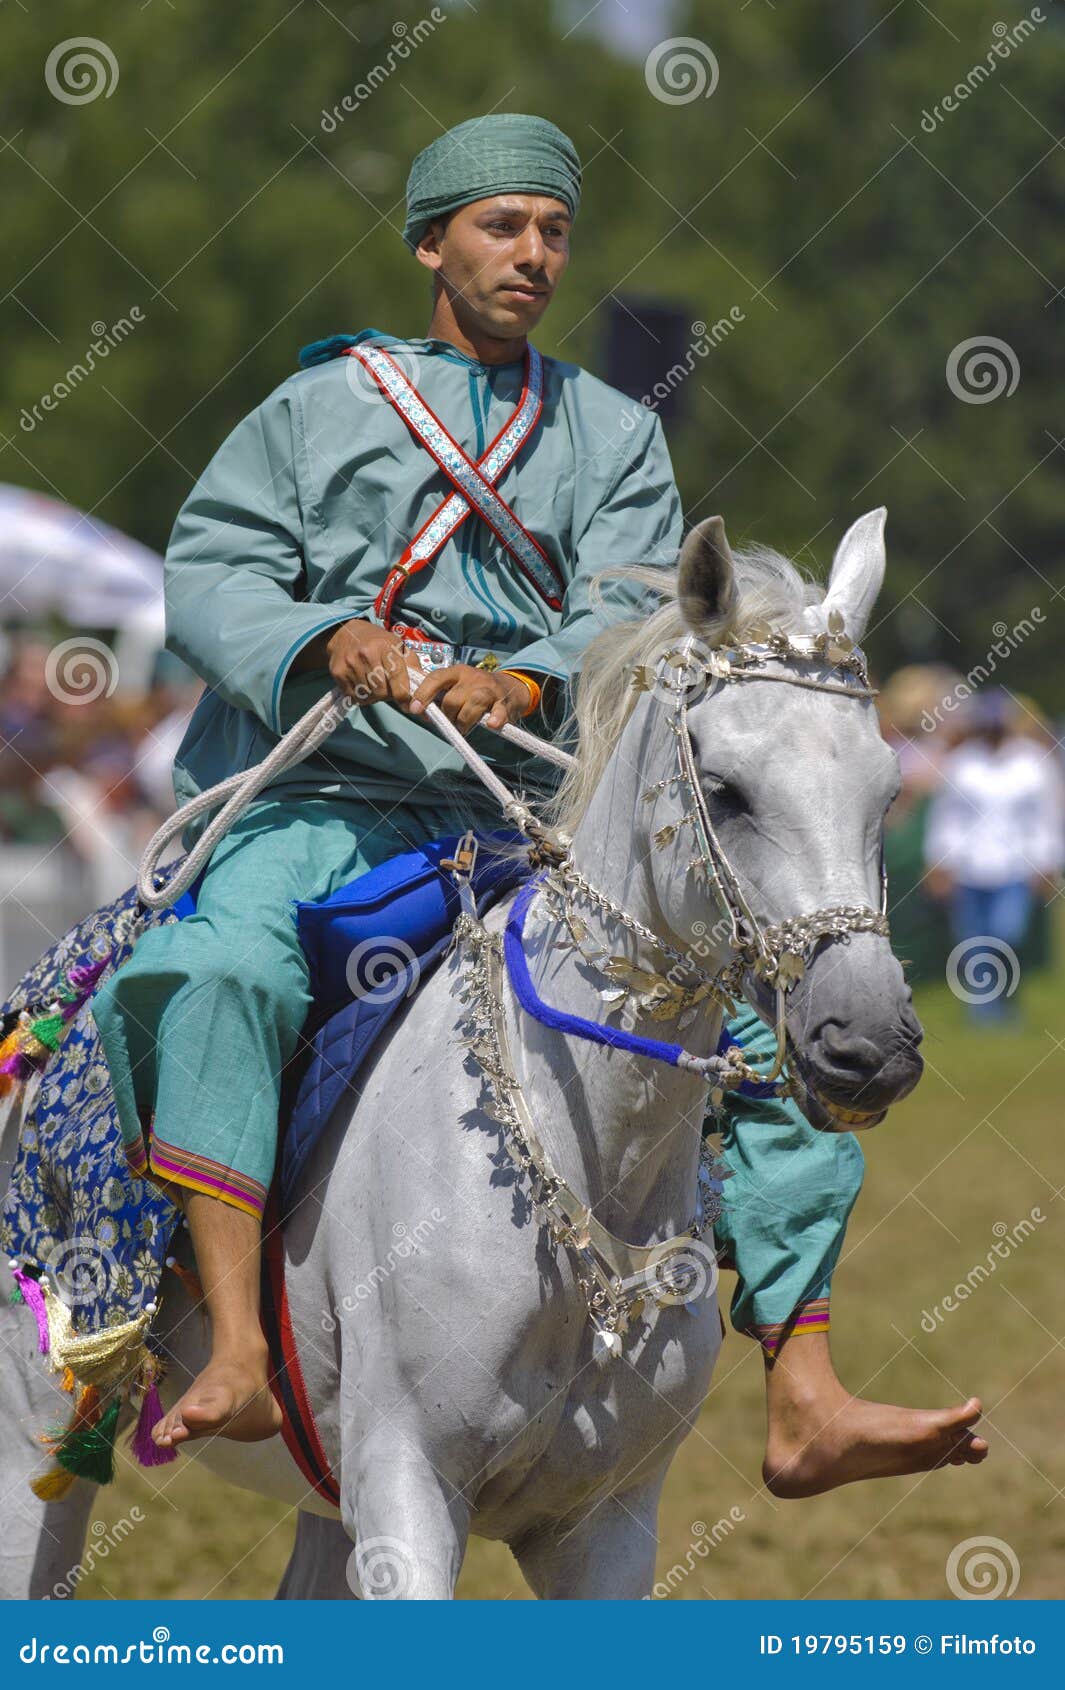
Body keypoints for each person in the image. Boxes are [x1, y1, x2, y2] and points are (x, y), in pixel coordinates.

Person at [91, 112, 986, 1487]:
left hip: (519, 811)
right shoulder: (314, 407)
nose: (532, 254)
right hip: (322, 793)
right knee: (217, 968)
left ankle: (802, 1386)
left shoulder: (612, 432)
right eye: (500, 225)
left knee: (754, 1022)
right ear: (428, 242)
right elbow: (212, 572)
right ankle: (228, 1345)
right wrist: (327, 640)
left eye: (553, 230)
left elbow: (631, 608)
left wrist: (516, 682)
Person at [924, 688, 1064, 1026]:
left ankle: (1004, 995)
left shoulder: (1032, 762)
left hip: (1016, 865)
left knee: (1007, 933)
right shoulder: (963, 762)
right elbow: (946, 816)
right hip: (968, 866)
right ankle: (985, 1012)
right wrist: (939, 861)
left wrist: (1048, 862)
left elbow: (1046, 816)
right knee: (973, 940)